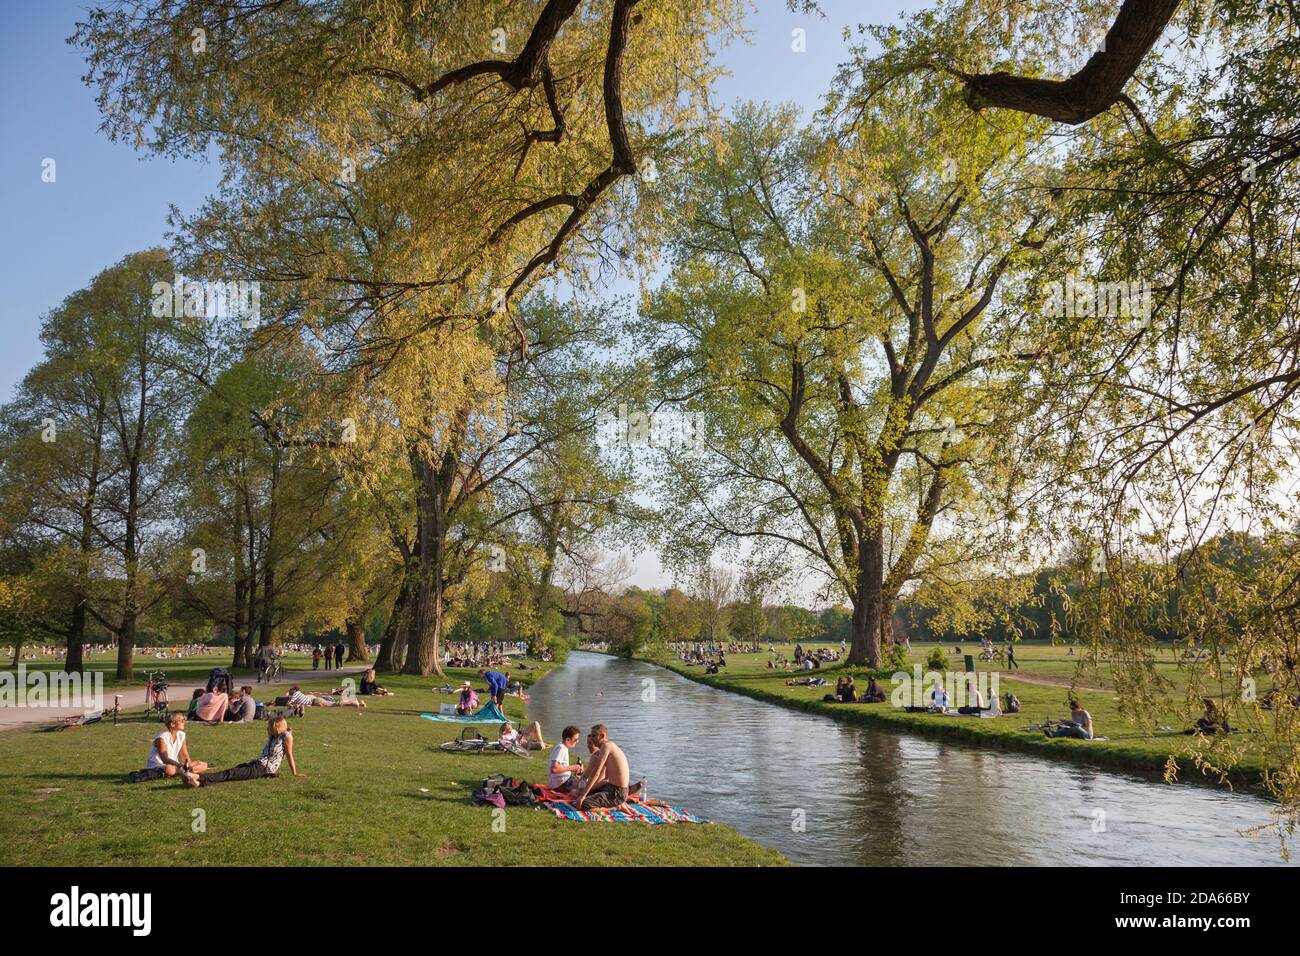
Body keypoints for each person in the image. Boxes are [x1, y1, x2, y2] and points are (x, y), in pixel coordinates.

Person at [183, 715, 299, 787]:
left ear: (277, 727)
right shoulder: (273, 737)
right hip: (256, 763)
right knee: (231, 772)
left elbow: (289, 755)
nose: (267, 729)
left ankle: (197, 777)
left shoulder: (286, 736)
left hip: (263, 769)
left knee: (230, 774)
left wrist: (294, 773)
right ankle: (198, 783)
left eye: (270, 727)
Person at [575, 724, 644, 810]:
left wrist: (582, 795)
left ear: (602, 736)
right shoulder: (609, 746)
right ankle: (623, 798)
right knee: (586, 793)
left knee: (585, 804)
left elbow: (596, 772)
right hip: (612, 787)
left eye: (594, 735)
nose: (592, 738)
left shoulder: (606, 746)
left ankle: (617, 806)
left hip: (617, 792)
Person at [129, 713, 208, 782]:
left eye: (184, 720)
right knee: (169, 769)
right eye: (181, 720)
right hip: (159, 765)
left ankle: (185, 771)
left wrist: (189, 765)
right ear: (172, 724)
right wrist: (180, 766)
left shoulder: (181, 735)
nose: (184, 722)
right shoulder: (161, 738)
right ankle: (184, 772)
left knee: (204, 765)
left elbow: (184, 754)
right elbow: (165, 759)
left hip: (175, 765)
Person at [547, 725, 584, 792]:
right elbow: (554, 769)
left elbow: (558, 767)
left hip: (562, 782)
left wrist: (574, 768)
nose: (577, 741)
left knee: (583, 780)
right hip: (563, 783)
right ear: (568, 740)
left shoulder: (561, 746)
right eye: (575, 739)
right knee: (586, 785)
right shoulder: (562, 748)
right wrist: (572, 768)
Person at [287, 684, 366, 709]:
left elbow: (289, 702)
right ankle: (359, 703)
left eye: (290, 690)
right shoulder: (299, 693)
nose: (289, 691)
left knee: (334, 704)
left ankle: (353, 703)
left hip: (317, 701)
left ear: (294, 690)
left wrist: (290, 704)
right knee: (334, 702)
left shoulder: (295, 694)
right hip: (316, 700)